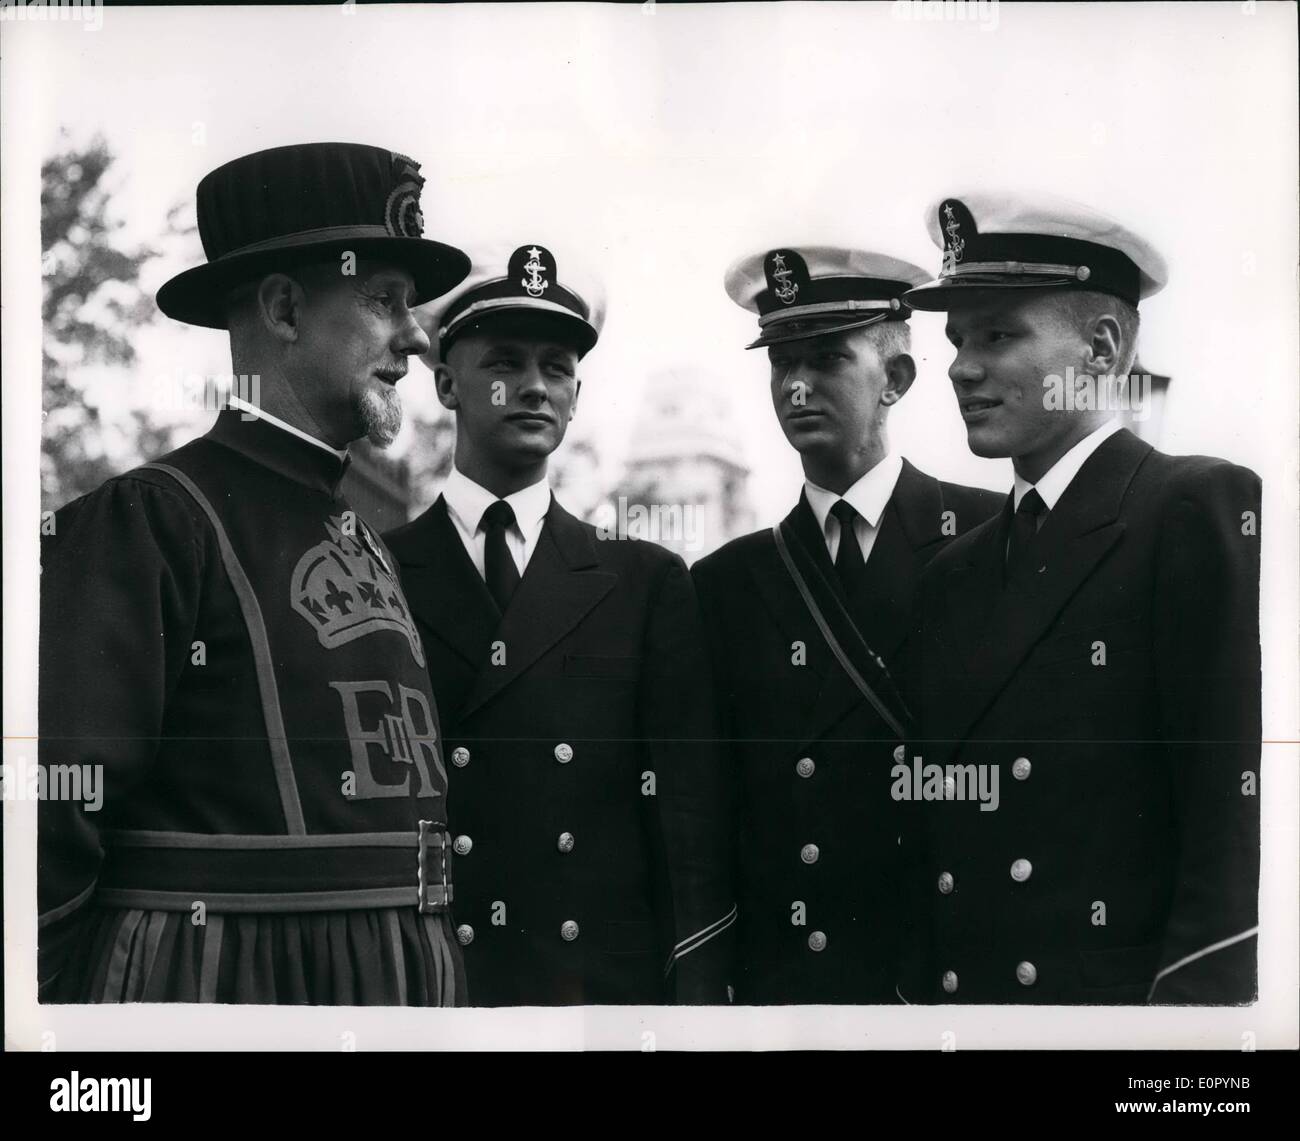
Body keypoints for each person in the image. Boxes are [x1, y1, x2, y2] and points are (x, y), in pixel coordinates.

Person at [38, 141, 472, 1004]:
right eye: (385, 300)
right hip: (226, 987)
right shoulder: (156, 516)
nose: (416, 336)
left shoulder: (368, 533)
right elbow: (51, 806)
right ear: (282, 309)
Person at [898, 191, 1261, 1004]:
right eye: (958, 340)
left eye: (997, 333)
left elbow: (1228, 833)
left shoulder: (1191, 510)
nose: (960, 365)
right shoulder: (951, 572)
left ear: (1103, 346)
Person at [385, 244, 734, 1005]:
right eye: (506, 361)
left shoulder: (643, 582)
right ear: (446, 383)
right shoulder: (375, 572)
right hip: (436, 989)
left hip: (595, 1000)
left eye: (558, 367)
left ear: (576, 397)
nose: (535, 387)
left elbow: (687, 835)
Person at [690, 246, 1001, 1003]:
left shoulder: (993, 537)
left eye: (827, 358)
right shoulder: (722, 585)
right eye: (781, 362)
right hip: (788, 989)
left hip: (940, 980)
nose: (796, 385)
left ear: (895, 379)